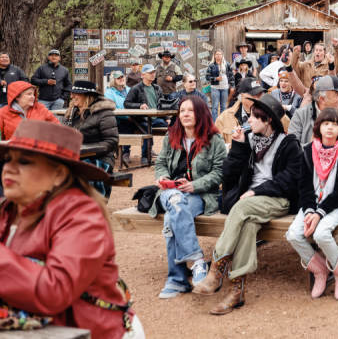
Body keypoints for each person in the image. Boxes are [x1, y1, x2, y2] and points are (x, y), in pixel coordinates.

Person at [0, 121, 143, 338]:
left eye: (25, 161)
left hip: (96, 332)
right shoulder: (7, 210)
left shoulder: (82, 216)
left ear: (59, 174)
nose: (9, 168)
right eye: (7, 159)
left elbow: (54, 291)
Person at [193, 93, 302, 314]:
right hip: (250, 203)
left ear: (268, 119)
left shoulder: (288, 143)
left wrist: (256, 191)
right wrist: (239, 147)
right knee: (248, 226)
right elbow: (228, 174)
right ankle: (237, 291)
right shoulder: (248, 139)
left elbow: (289, 180)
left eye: (253, 117)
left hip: (277, 199)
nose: (248, 121)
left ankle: (216, 269)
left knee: (240, 208)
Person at [151, 96, 225, 299]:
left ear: (200, 113)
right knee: (174, 201)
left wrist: (195, 185)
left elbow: (220, 172)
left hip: (199, 194)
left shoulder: (214, 140)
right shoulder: (172, 136)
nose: (184, 114)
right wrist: (163, 177)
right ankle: (198, 260)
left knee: (170, 217)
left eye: (190, 111)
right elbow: (161, 164)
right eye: (182, 110)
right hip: (170, 191)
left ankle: (177, 279)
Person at [286, 108, 338, 300]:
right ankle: (319, 270)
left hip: (336, 205)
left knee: (321, 233)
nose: (330, 128)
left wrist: (320, 213)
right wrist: (311, 210)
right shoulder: (308, 151)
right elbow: (303, 186)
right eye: (326, 124)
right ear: (319, 127)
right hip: (312, 204)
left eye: (334, 124)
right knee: (293, 234)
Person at [62, 81, 119, 198]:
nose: (72, 96)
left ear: (88, 95)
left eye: (76, 93)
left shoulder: (104, 113)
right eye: (72, 93)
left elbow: (112, 141)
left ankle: (90, 207)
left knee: (82, 172)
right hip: (75, 157)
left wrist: (88, 150)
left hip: (100, 158)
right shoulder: (71, 112)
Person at [288, 75, 338, 151]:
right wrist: (315, 148)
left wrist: (333, 148)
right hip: (309, 161)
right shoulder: (300, 114)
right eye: (337, 94)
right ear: (322, 99)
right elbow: (291, 146)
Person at [124, 63, 165, 164]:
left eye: (153, 72)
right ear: (143, 75)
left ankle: (169, 156)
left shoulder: (157, 88)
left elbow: (163, 103)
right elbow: (126, 103)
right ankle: (145, 157)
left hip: (156, 119)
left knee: (174, 126)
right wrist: (139, 106)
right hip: (142, 119)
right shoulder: (136, 88)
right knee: (147, 128)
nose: (152, 74)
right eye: (150, 73)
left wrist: (168, 117)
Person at [215, 77, 265, 143]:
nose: (258, 99)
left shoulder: (269, 115)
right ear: (242, 96)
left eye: (260, 95)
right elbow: (216, 147)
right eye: (254, 95)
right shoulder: (224, 118)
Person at [105, 70, 134, 165]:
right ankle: (125, 153)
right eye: (118, 78)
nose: (121, 79)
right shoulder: (109, 92)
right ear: (113, 80)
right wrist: (126, 116)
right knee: (126, 125)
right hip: (117, 119)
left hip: (133, 117)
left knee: (146, 124)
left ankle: (147, 152)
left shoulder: (129, 90)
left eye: (122, 77)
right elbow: (111, 107)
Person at [207, 50, 234, 122]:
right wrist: (216, 78)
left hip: (225, 88)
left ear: (222, 55)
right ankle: (215, 123)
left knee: (223, 106)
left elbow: (231, 76)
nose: (218, 56)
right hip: (215, 88)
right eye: (217, 54)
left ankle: (222, 122)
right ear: (214, 55)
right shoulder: (211, 65)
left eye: (220, 54)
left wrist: (232, 86)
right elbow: (207, 77)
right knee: (215, 106)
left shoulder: (227, 64)